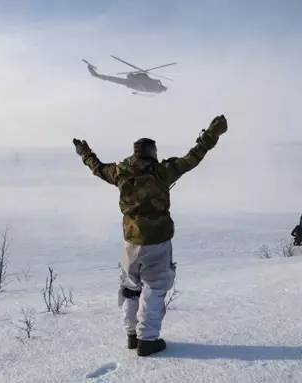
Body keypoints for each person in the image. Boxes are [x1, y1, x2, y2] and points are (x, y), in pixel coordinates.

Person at [72, 115, 228, 356]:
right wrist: (211, 134)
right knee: (154, 289)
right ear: (152, 153)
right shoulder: (162, 171)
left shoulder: (119, 172)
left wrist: (84, 151)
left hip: (130, 242)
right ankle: (148, 340)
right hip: (157, 241)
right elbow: (192, 158)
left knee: (130, 288)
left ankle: (132, 336)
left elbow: (97, 167)